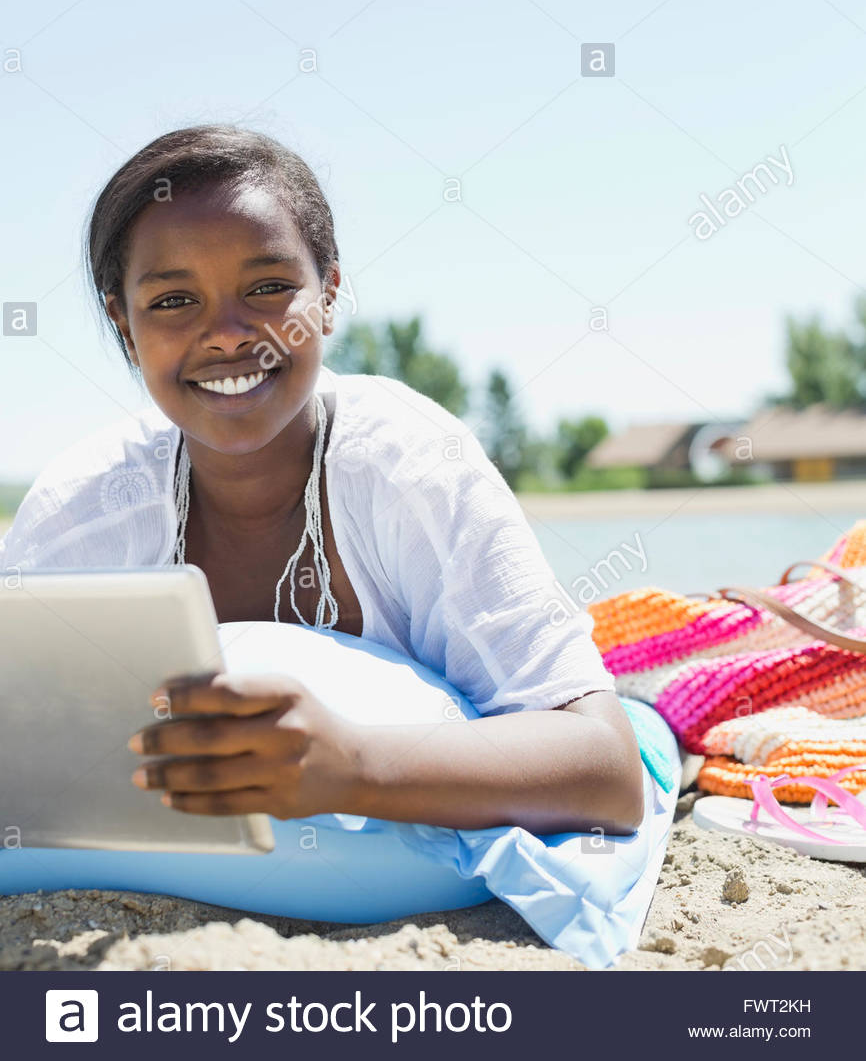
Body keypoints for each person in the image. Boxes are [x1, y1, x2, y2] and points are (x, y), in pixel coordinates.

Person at [1, 125, 643, 837]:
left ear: (329, 294)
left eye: (269, 287)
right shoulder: (82, 510)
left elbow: (608, 769)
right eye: (173, 302)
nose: (228, 333)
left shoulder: (410, 468)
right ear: (124, 324)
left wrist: (353, 767)